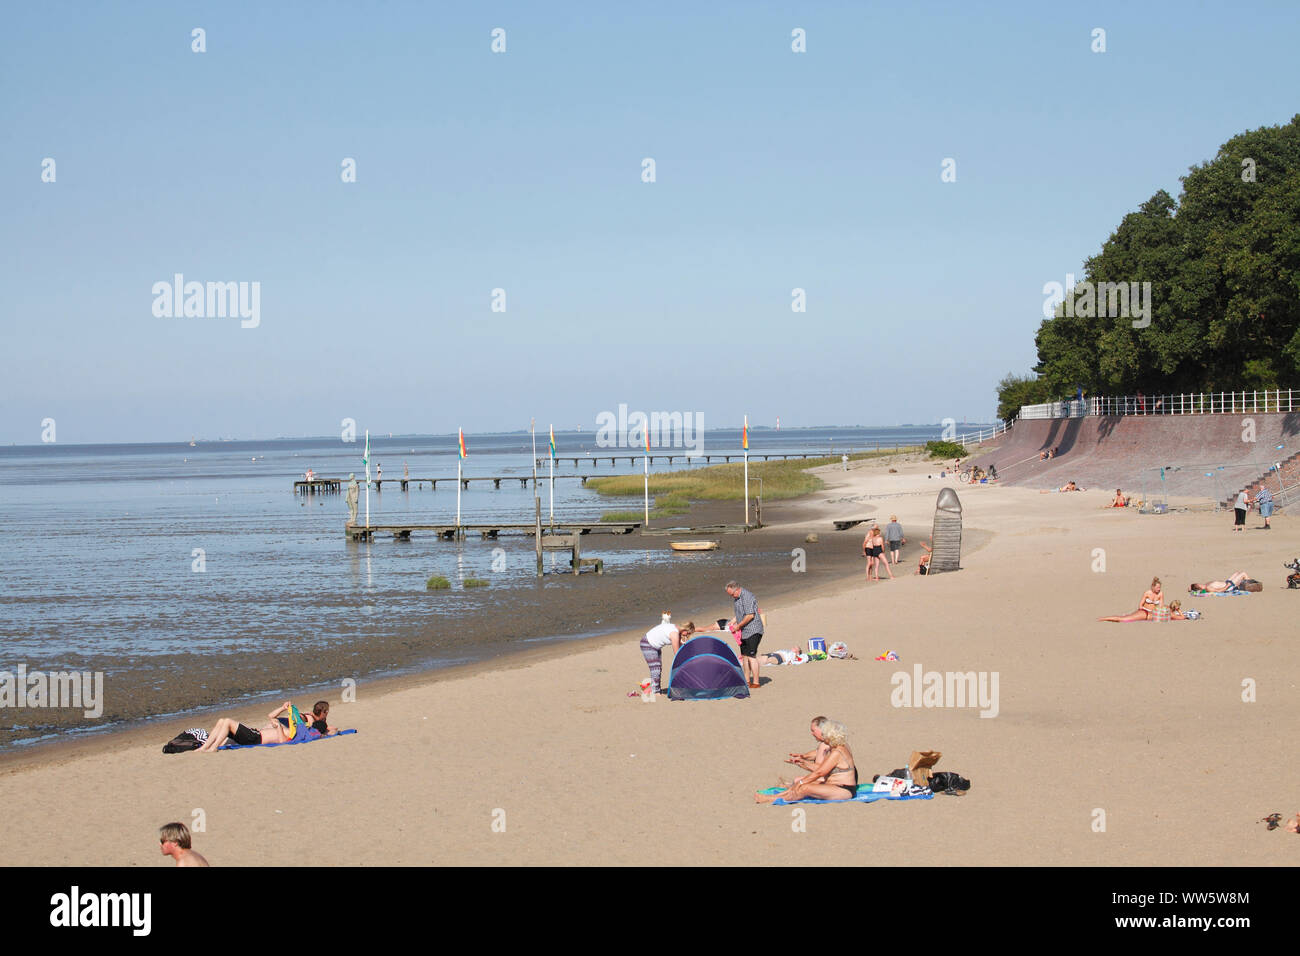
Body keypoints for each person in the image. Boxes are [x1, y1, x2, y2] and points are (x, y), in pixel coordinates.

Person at [755, 717, 857, 803]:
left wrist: (801, 783)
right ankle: (778, 796)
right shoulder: (835, 747)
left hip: (844, 789)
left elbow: (820, 772)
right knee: (801, 784)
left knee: (804, 788)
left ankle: (771, 799)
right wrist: (803, 762)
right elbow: (819, 767)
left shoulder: (837, 752)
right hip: (833, 785)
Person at [196, 701, 331, 752]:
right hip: (254, 734)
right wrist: (282, 708)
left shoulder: (294, 732)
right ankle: (205, 747)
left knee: (227, 722)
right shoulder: (300, 725)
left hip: (255, 738)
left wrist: (278, 727)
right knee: (222, 720)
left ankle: (213, 747)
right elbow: (271, 716)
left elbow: (283, 741)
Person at [640, 614, 695, 695]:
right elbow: (677, 654)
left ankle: (655, 689)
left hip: (655, 645)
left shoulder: (676, 628)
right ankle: (655, 691)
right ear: (685, 629)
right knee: (655, 669)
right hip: (648, 644)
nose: (687, 635)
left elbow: (681, 646)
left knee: (658, 667)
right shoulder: (674, 634)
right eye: (688, 633)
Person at [725, 581, 763, 690]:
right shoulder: (737, 598)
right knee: (745, 657)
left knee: (751, 657)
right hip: (744, 631)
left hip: (753, 630)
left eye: (732, 594)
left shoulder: (747, 596)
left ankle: (756, 682)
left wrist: (738, 626)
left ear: (737, 589)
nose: (732, 596)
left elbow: (750, 615)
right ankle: (746, 680)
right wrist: (733, 621)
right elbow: (740, 614)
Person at [1098, 577, 1164, 622]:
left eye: (1160, 587)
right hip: (1144, 611)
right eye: (1157, 587)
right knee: (1123, 619)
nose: (1159, 589)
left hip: (1152, 613)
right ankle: (1103, 618)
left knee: (1127, 617)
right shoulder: (1147, 593)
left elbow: (1161, 606)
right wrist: (1144, 611)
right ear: (1153, 587)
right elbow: (1140, 605)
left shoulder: (1160, 594)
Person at [1188, 571, 1253, 594]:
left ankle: (1248, 584)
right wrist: (1227, 586)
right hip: (1229, 586)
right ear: (1198, 586)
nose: (1199, 583)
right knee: (1243, 574)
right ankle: (1253, 585)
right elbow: (1219, 591)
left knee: (1237, 573)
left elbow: (1194, 591)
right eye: (1198, 584)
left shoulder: (1205, 586)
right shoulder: (1207, 588)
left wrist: (1190, 589)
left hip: (1227, 582)